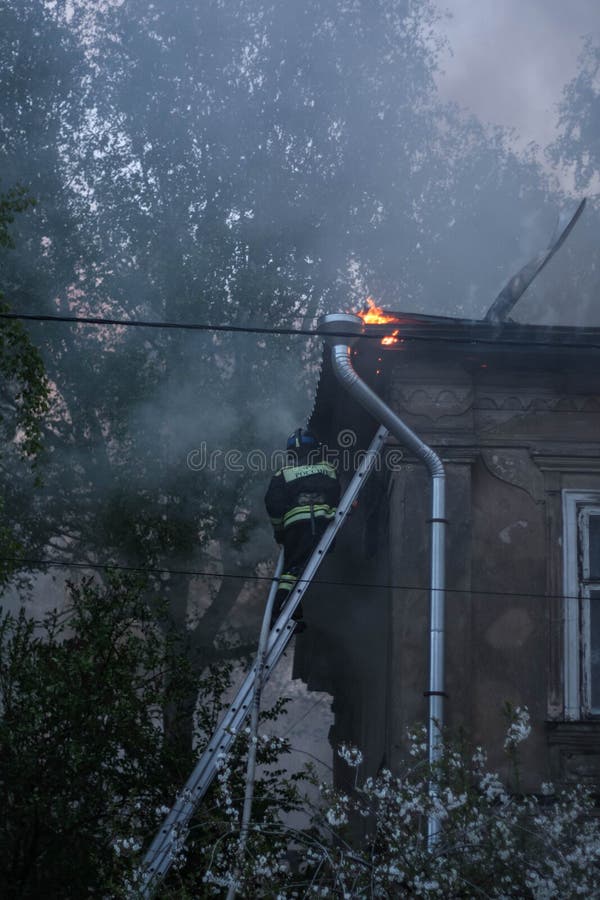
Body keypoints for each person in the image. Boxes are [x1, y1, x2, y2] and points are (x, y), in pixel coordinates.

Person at [264, 428, 341, 630]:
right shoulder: (328, 469)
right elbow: (335, 497)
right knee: (302, 569)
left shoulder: (283, 474)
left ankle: (280, 614)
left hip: (296, 529)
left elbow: (273, 505)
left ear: (291, 454)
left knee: (293, 570)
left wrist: (279, 531)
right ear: (315, 450)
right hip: (322, 527)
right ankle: (289, 612)